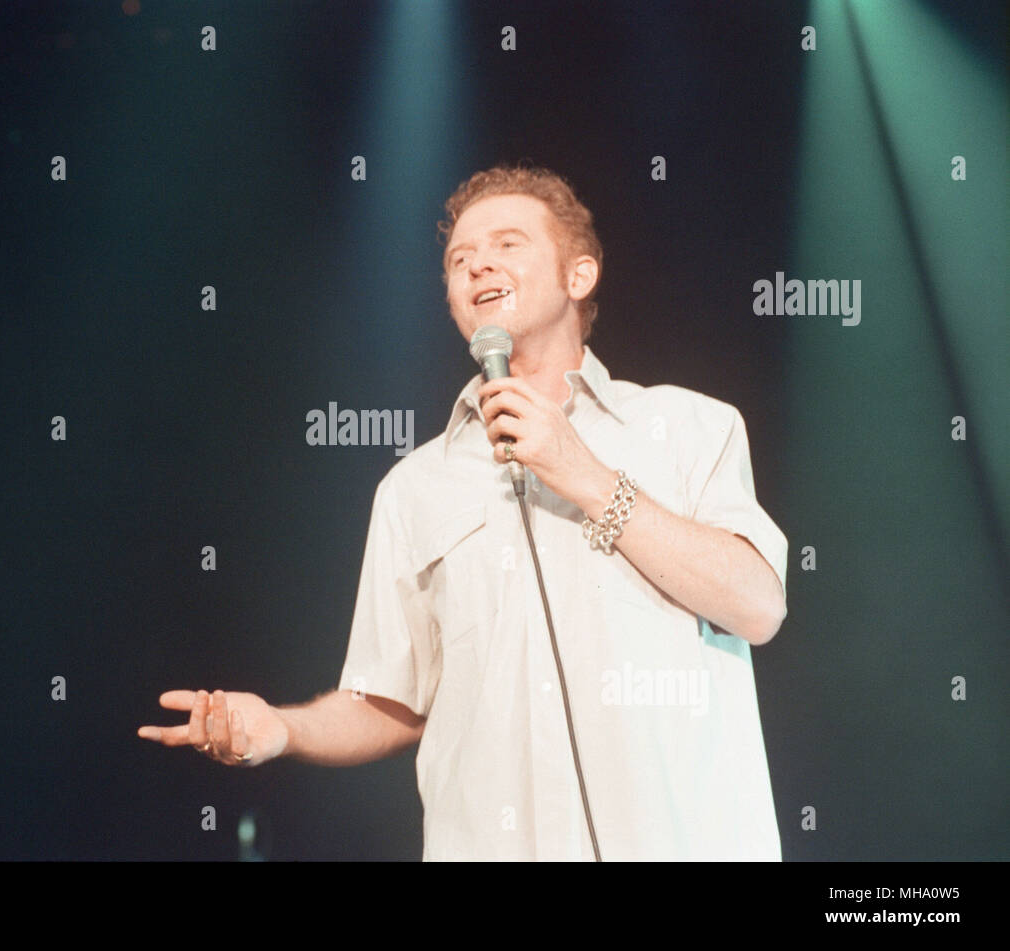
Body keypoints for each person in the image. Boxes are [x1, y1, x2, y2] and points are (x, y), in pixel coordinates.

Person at [138, 163, 789, 860]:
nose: (478, 263)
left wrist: (582, 472)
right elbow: (392, 700)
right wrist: (283, 728)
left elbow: (757, 605)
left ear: (580, 276)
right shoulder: (415, 486)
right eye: (458, 260)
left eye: (507, 244)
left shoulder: (689, 426)